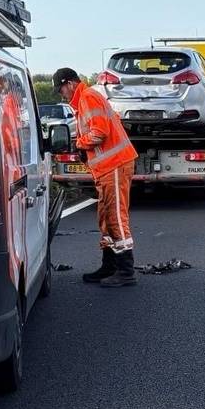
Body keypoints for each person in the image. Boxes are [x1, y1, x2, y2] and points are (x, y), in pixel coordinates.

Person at [52, 67, 139, 287]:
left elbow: (99, 133)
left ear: (70, 84)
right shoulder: (85, 99)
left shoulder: (88, 97)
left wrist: (79, 143)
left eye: (61, 90)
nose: (62, 95)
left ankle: (126, 270)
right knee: (106, 217)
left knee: (115, 217)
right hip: (107, 168)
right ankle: (110, 266)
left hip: (115, 165)